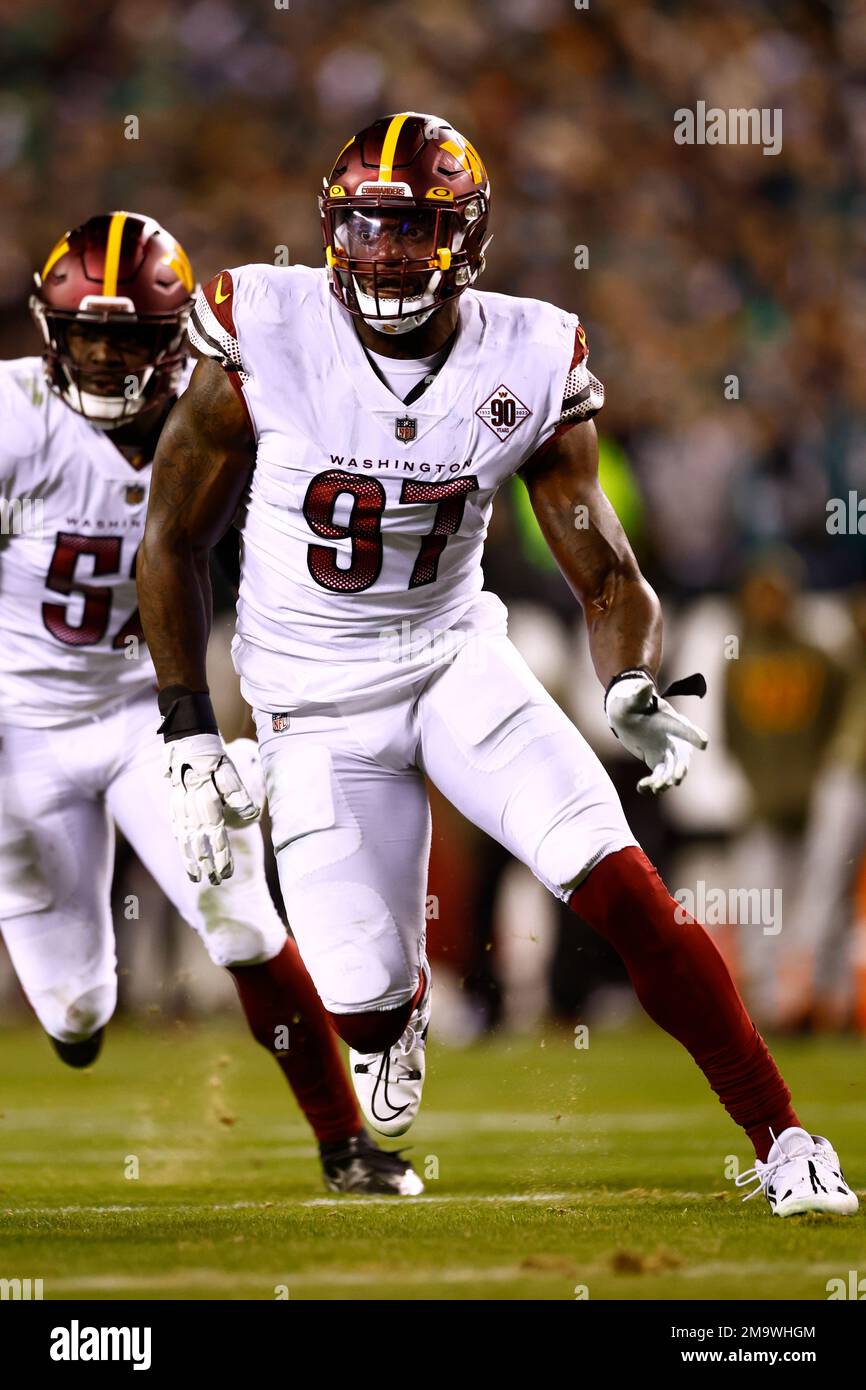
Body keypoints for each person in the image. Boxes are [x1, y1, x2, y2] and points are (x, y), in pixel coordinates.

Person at [138, 115, 856, 1217]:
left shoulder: (526, 352)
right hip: (308, 705)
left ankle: (784, 1139)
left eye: (408, 227)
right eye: (362, 227)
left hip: (452, 663)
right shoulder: (264, 323)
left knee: (623, 888)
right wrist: (189, 730)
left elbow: (606, 570)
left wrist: (626, 682)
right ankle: (396, 1009)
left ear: (463, 237)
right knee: (359, 1001)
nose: (380, 253)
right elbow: (172, 539)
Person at [0, 210, 422, 1196]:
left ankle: (343, 1143)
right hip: (19, 729)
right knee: (69, 1007)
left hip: (147, 715)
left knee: (238, 911)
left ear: (173, 337)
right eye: (88, 334)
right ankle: (80, 1013)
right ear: (52, 334)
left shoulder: (226, 409)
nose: (105, 357)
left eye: (130, 336)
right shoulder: (14, 417)